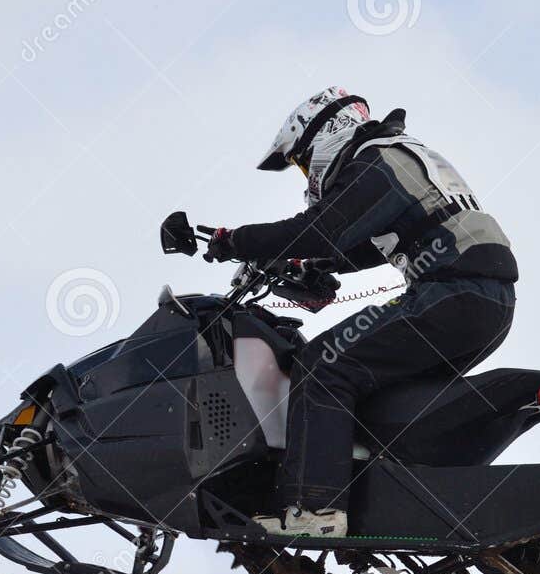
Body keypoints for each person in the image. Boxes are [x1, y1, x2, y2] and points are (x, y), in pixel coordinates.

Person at [204, 87, 517, 537]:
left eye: (300, 161)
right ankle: (390, 498)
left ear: (326, 132)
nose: (305, 173)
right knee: (373, 393)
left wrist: (236, 240)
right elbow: (356, 246)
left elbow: (322, 231)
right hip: (484, 305)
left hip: (452, 297)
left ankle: (315, 510)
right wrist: (307, 268)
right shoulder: (401, 160)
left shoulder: (378, 162)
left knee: (324, 366)